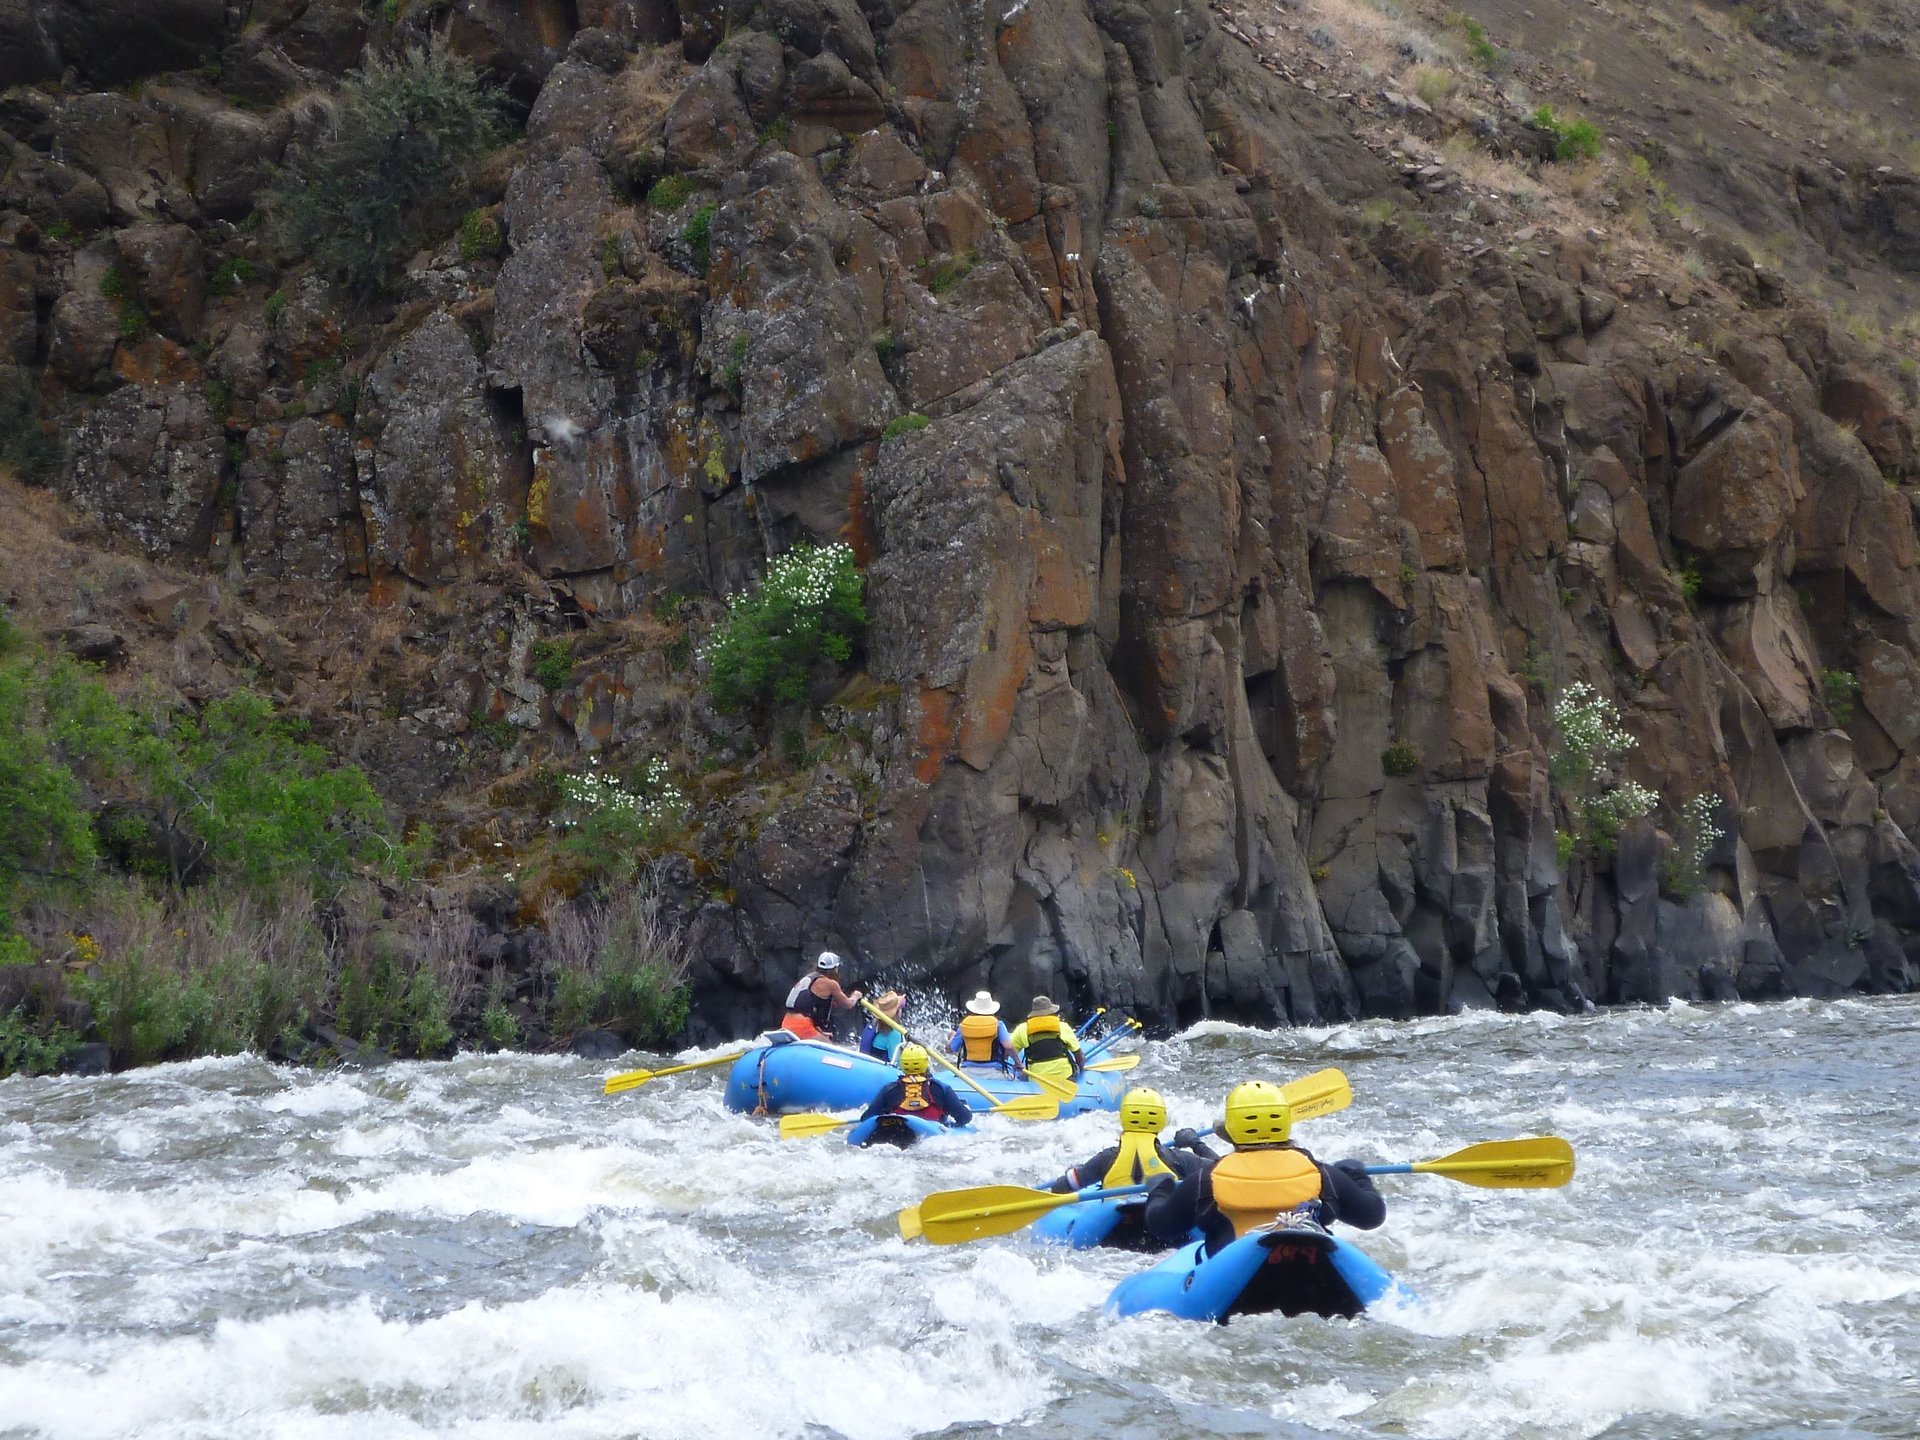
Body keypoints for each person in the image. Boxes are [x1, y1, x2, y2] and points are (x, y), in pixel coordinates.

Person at [1144, 1080, 1384, 1256]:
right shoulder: (1321, 1174)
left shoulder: (1205, 1180)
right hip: (1309, 1272)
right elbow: (1372, 1216)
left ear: (1232, 1128)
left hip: (1234, 1278)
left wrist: (1160, 1190)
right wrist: (1357, 1176)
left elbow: (1163, 1227)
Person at [1045, 1088, 1217, 1193]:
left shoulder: (1105, 1159)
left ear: (1123, 1117)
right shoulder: (1179, 1159)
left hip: (1116, 1231)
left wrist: (1071, 1173)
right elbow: (1224, 1170)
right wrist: (1195, 1143)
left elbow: (1062, 1187)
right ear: (1162, 1120)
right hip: (1164, 1224)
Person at [859, 1044, 973, 1127]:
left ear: (902, 1064)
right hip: (932, 1134)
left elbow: (866, 1119)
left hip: (897, 1131)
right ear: (925, 1063)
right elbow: (964, 1117)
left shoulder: (890, 1089)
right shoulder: (941, 1088)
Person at [780, 951, 864, 1040]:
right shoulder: (830, 984)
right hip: (802, 1025)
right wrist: (856, 995)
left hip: (786, 1022)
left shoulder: (809, 978)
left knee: (825, 1037)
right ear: (835, 968)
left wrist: (818, 1031)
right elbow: (848, 1004)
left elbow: (807, 1006)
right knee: (831, 1050)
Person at [1007, 995, 1084, 1089]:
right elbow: (1079, 1056)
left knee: (1022, 1075)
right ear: (1052, 1012)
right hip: (1065, 1078)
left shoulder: (1022, 1029)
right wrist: (1080, 1071)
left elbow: (1008, 1052)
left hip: (1036, 1080)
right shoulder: (1063, 1027)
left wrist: (1018, 1065)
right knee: (1076, 1069)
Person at [948, 990, 1014, 1068]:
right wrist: (1018, 1063)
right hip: (993, 1071)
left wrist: (952, 1037)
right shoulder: (998, 1025)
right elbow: (1008, 1046)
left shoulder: (964, 1025)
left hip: (968, 1071)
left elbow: (951, 1049)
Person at [857, 990, 906, 1062]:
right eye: (901, 1006)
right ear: (897, 1012)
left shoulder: (873, 1024)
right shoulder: (894, 1033)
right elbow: (896, 1063)